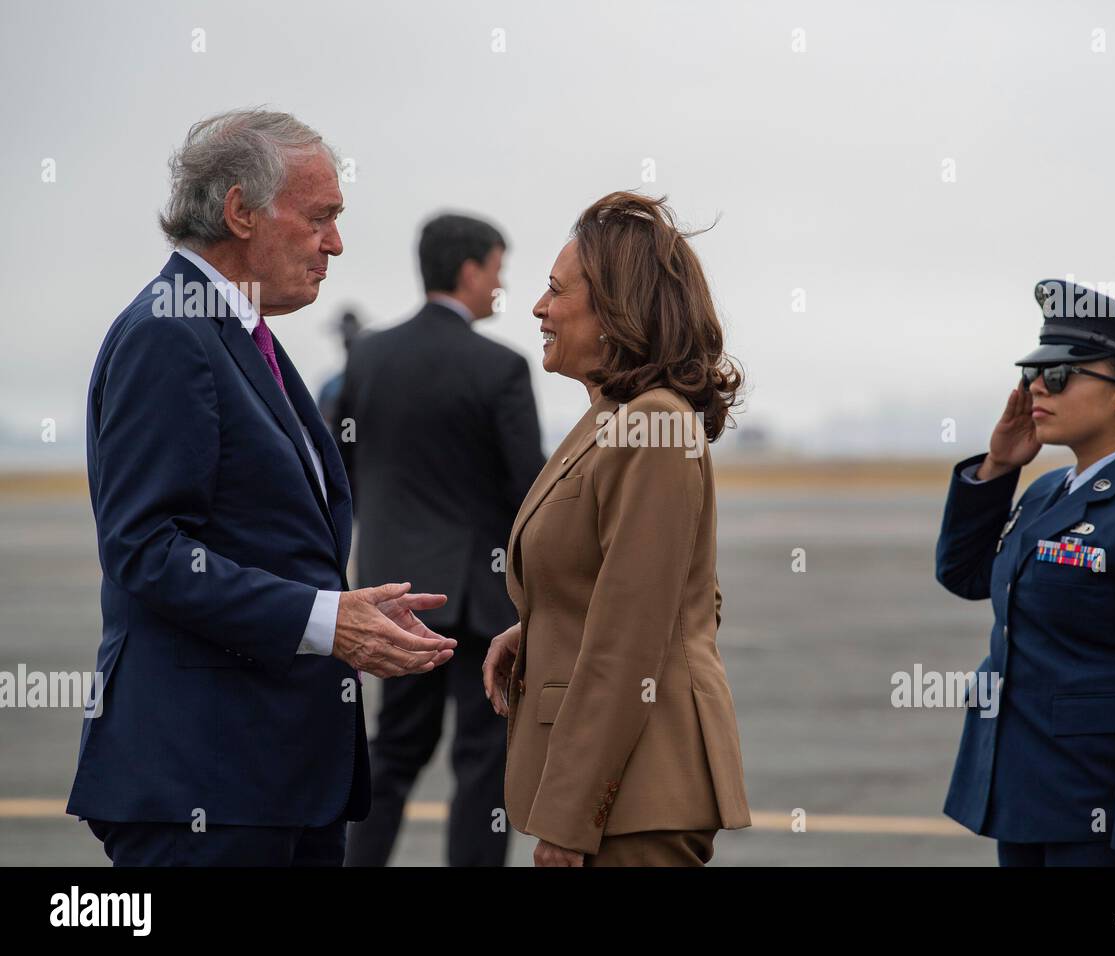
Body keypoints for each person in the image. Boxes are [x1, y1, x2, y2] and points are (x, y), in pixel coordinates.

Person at [68, 109, 456, 867]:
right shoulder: (168, 333)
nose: (336, 244)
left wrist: (350, 611)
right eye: (320, 218)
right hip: (206, 780)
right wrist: (322, 620)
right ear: (241, 211)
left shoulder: (239, 333)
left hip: (275, 778)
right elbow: (144, 550)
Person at [482, 191, 752, 867]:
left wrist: (570, 821)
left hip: (641, 799)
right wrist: (542, 626)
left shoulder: (650, 426)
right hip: (626, 790)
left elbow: (633, 637)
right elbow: (647, 591)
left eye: (554, 290)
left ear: (615, 308)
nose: (538, 309)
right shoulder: (613, 418)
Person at [936, 278, 1115, 867]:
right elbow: (965, 575)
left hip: (1109, 825)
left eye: (1061, 376)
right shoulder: (1047, 492)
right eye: (1031, 374)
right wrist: (998, 467)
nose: (1037, 387)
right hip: (1028, 805)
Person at [336, 213, 545, 866]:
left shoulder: (366, 357)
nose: (500, 288)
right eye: (498, 272)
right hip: (481, 602)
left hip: (397, 598)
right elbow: (529, 495)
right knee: (483, 763)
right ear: (469, 271)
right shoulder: (501, 367)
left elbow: (336, 471)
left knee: (392, 754)